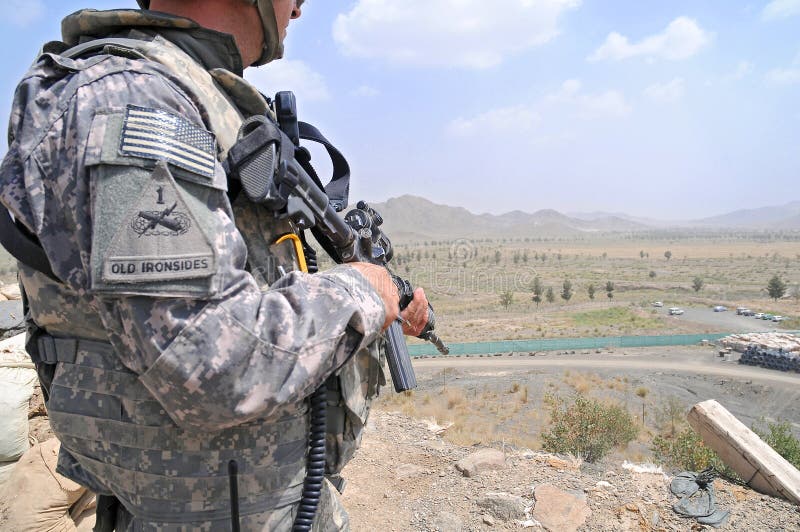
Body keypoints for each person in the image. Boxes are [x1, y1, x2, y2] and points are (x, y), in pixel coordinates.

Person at [0, 0, 429, 529]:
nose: (300, 6)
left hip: (247, 496)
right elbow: (205, 359)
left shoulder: (188, 90)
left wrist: (382, 293)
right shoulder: (136, 98)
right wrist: (362, 293)